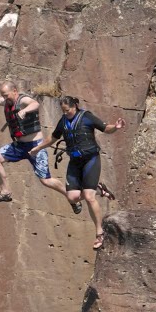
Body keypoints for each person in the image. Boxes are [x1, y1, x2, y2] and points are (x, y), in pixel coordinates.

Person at [0, 80, 78, 211]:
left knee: (46, 181)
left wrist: (25, 111)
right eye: (2, 95)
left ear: (14, 91)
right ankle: (5, 192)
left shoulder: (22, 100)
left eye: (6, 95)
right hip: (19, 146)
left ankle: (71, 197)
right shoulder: (7, 102)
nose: (4, 98)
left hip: (36, 147)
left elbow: (35, 104)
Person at [27, 97, 125, 250]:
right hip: (75, 162)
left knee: (88, 196)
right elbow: (53, 138)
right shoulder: (63, 121)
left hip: (90, 160)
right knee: (72, 197)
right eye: (64, 111)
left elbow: (105, 128)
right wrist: (38, 148)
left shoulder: (86, 117)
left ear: (75, 106)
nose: (66, 113)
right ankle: (99, 189)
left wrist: (116, 127)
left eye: (68, 110)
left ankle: (99, 232)